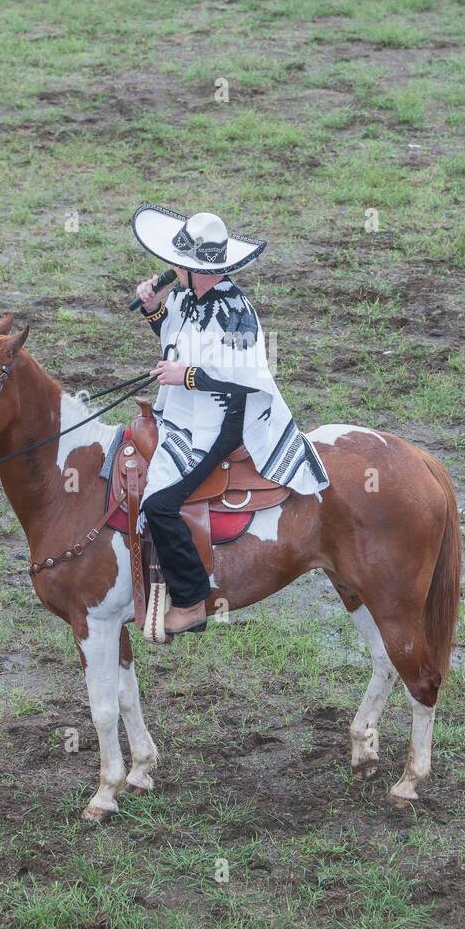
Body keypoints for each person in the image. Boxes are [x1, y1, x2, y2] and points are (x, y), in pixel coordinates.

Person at [132, 204, 329, 635]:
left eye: (178, 265)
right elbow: (179, 341)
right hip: (184, 414)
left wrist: (183, 376)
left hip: (221, 426)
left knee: (159, 505)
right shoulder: (186, 296)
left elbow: (243, 379)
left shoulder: (237, 313)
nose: (170, 270)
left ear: (198, 269)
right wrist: (154, 311)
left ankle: (191, 603)